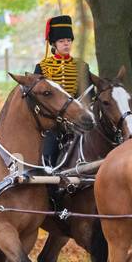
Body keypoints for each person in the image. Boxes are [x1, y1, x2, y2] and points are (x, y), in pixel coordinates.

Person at [33, 14, 90, 167]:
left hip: (77, 116)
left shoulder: (82, 66)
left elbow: (89, 95)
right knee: (48, 151)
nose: (66, 44)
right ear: (54, 44)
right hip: (53, 119)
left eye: (68, 41)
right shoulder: (42, 67)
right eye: (62, 41)